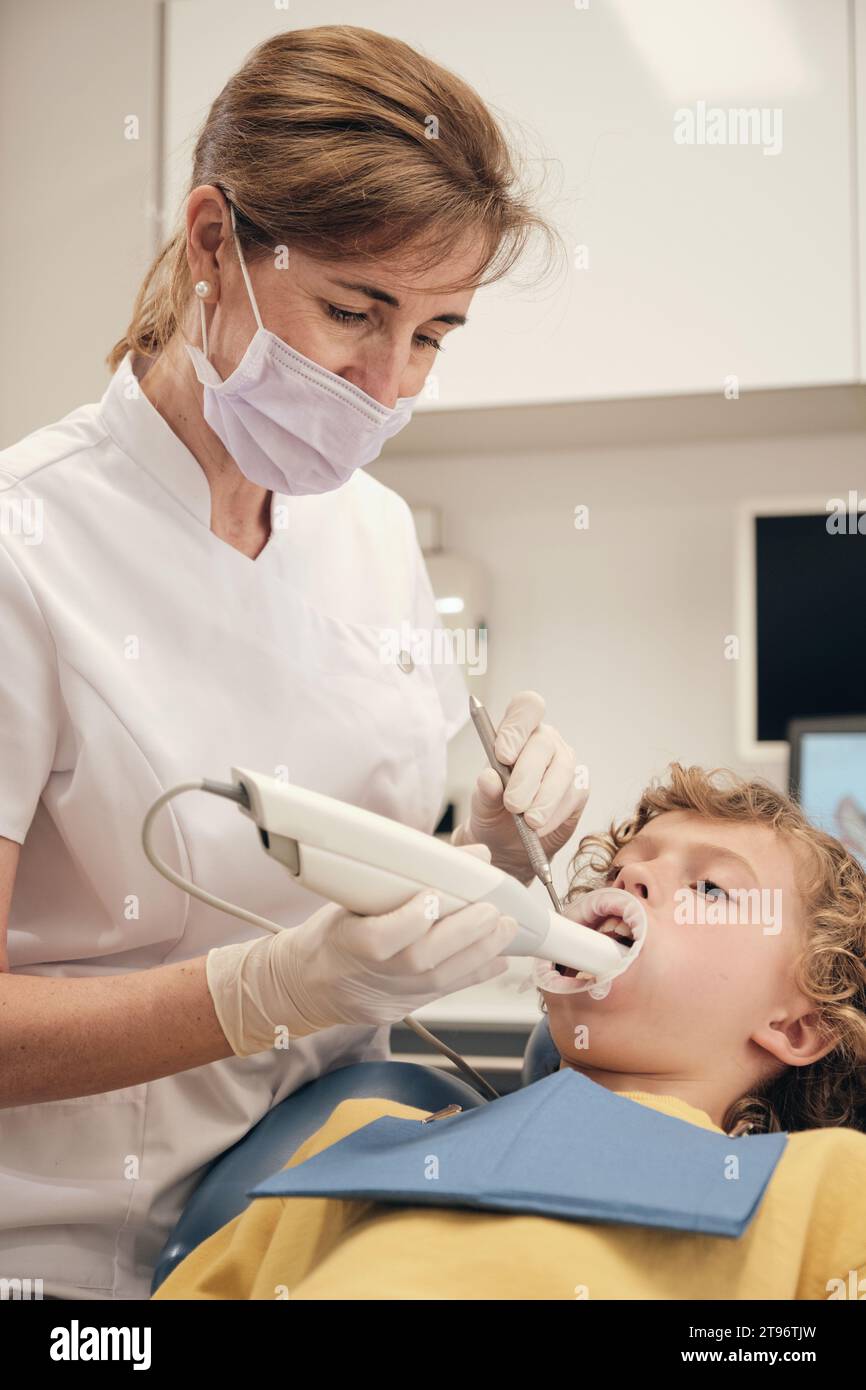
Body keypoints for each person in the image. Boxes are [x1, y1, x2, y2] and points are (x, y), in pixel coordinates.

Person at [0, 26, 583, 1299]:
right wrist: (261, 990)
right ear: (214, 241)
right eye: (353, 311)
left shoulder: (369, 533)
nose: (385, 386)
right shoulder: (23, 549)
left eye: (433, 335)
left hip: (310, 1215)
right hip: (70, 1261)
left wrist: (478, 853)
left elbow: (359, 876)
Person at [152, 764, 866, 1301]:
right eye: (624, 867)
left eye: (711, 889)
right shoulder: (364, 1137)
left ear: (797, 1027)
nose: (637, 877)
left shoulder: (823, 1186)